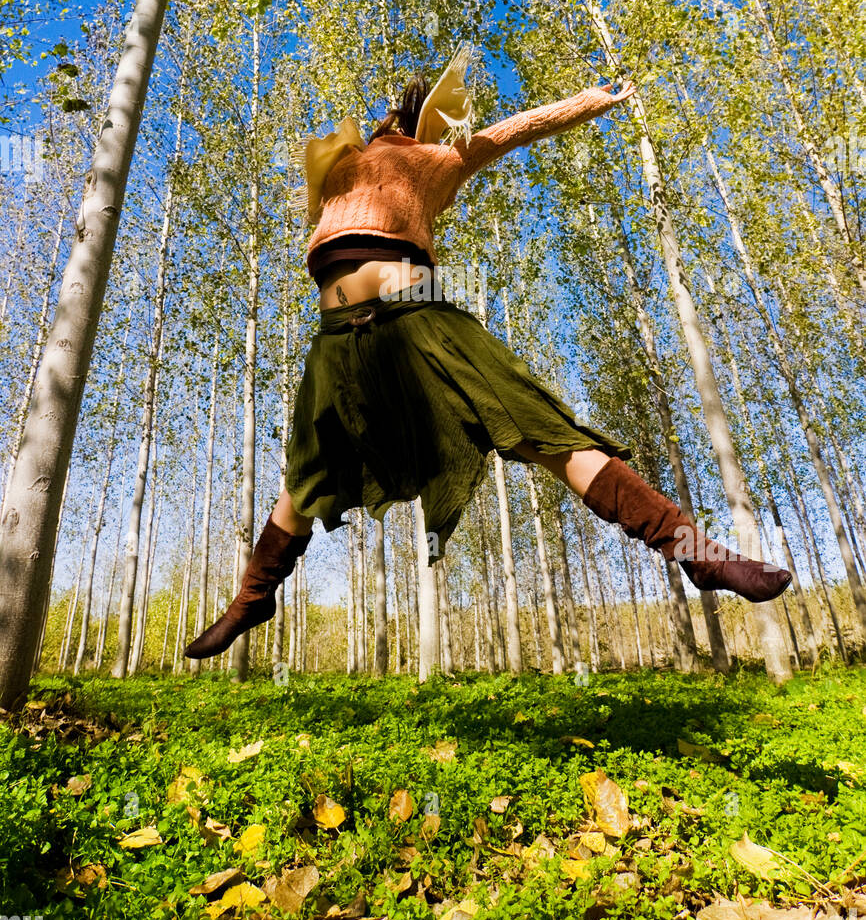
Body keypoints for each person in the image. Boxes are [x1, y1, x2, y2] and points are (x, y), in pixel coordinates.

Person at [185, 55, 790, 661]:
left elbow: (515, 128)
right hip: (338, 335)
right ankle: (254, 597)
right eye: (387, 115)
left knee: (542, 430)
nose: (388, 121)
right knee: (307, 475)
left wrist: (593, 100)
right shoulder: (340, 167)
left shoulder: (438, 158)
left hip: (419, 316)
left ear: (422, 126)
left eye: (402, 116)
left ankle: (697, 553)